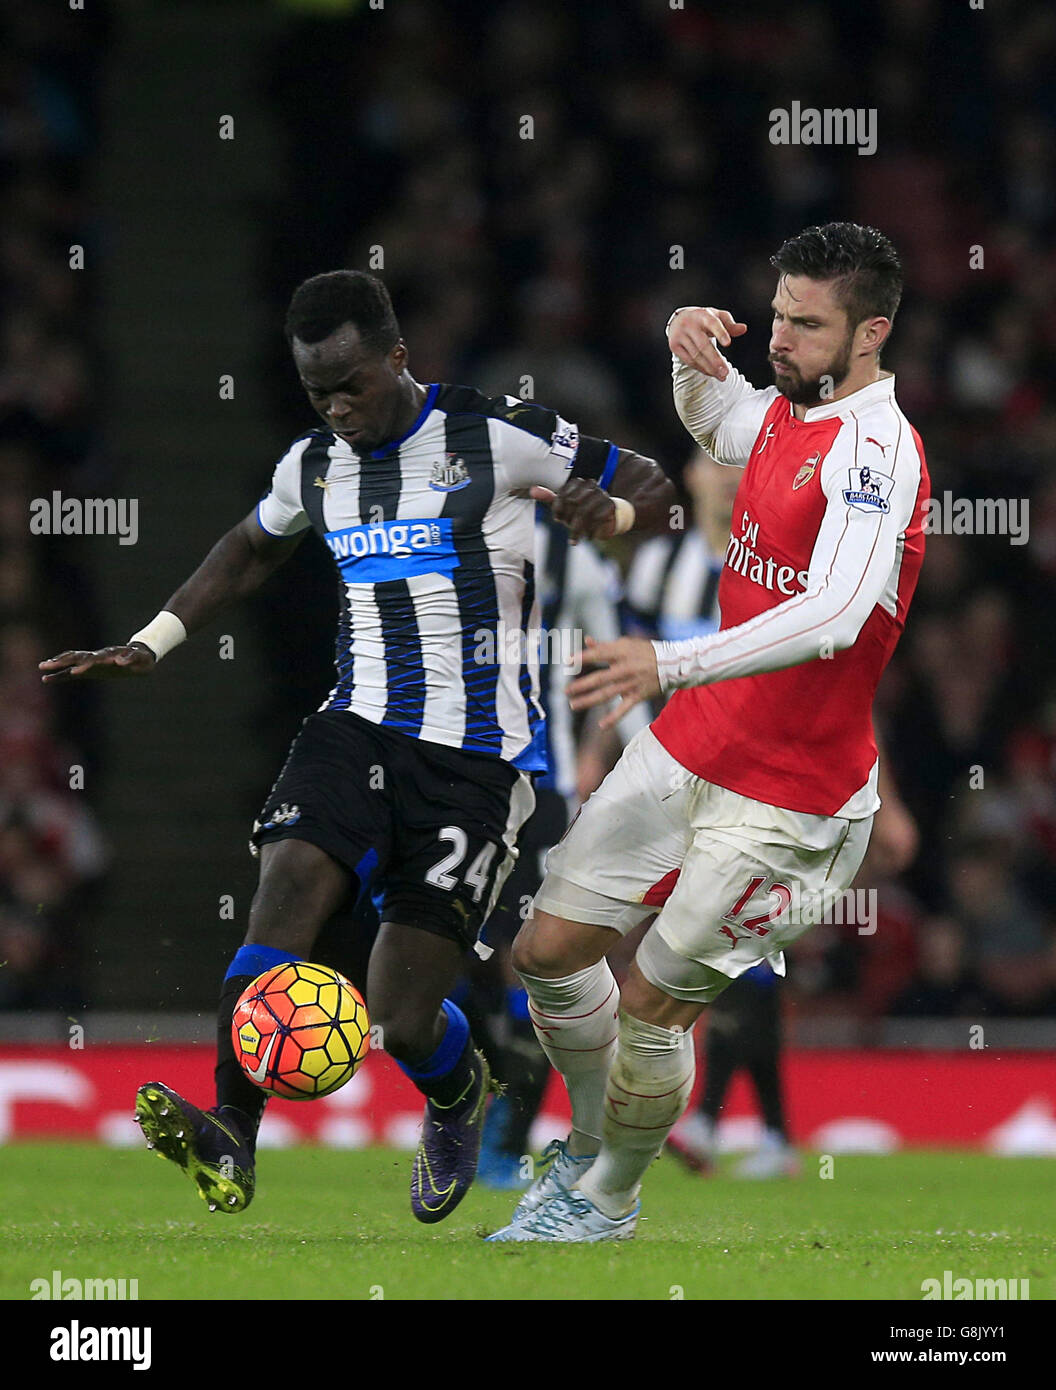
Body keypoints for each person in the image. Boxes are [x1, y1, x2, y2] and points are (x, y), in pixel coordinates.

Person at [39, 269, 675, 1225]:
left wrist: (614, 516)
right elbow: (252, 545)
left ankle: (461, 1094)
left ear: (397, 358)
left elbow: (654, 491)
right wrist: (151, 641)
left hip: (474, 764)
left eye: (352, 384)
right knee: (285, 887)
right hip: (353, 728)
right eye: (316, 392)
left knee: (400, 1013)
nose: (337, 408)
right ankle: (232, 1133)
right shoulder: (316, 466)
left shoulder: (496, 434)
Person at [486, 221, 930, 1242]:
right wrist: (691, 354)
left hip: (792, 795)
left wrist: (669, 662)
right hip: (696, 740)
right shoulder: (782, 410)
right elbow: (721, 422)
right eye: (776, 314)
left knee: (652, 1004)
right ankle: (592, 1148)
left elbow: (836, 615)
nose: (781, 337)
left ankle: (605, 1197)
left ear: (873, 333)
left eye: (807, 325)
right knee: (546, 951)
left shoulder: (878, 453)